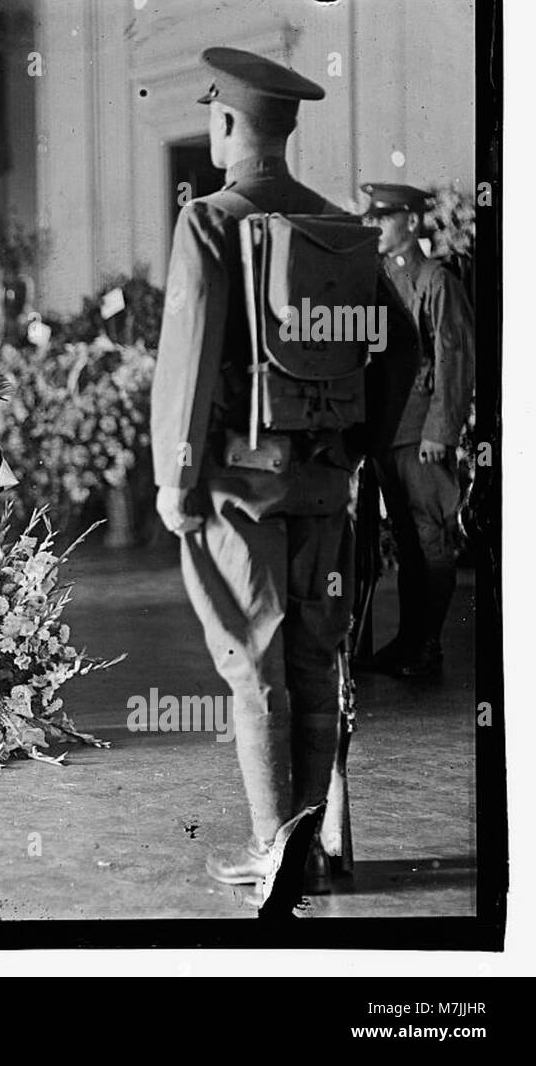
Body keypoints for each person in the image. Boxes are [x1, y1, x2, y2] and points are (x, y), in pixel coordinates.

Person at [150, 48, 418, 894]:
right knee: (312, 657)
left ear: (227, 125)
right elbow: (404, 344)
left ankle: (278, 854)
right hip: (323, 482)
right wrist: (360, 443)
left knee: (253, 665)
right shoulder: (339, 224)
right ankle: (305, 842)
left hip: (236, 490)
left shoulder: (210, 220)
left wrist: (175, 476)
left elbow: (187, 358)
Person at [361, 182, 476, 679]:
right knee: (407, 541)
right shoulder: (381, 278)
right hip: (389, 431)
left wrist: (440, 431)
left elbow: (455, 356)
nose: (375, 228)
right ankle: (409, 643)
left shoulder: (436, 280)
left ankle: (427, 646)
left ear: (410, 221)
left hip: (422, 434)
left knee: (431, 540)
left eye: (383, 219)